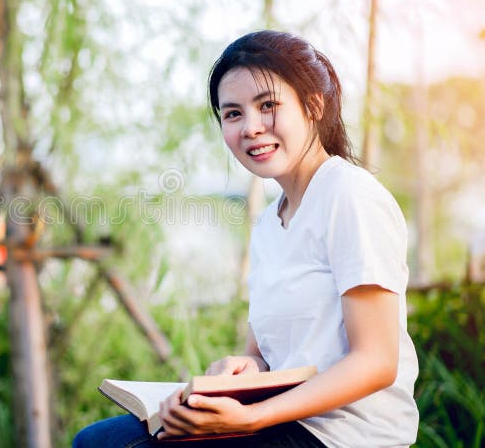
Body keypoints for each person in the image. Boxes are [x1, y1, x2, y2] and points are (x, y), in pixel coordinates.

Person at [72, 30, 419, 447]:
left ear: (313, 106)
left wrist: (249, 418)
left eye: (268, 106)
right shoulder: (269, 223)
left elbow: (376, 361)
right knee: (96, 440)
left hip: (343, 435)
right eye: (233, 114)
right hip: (283, 418)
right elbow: (264, 357)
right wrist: (241, 370)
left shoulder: (349, 195)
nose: (251, 128)